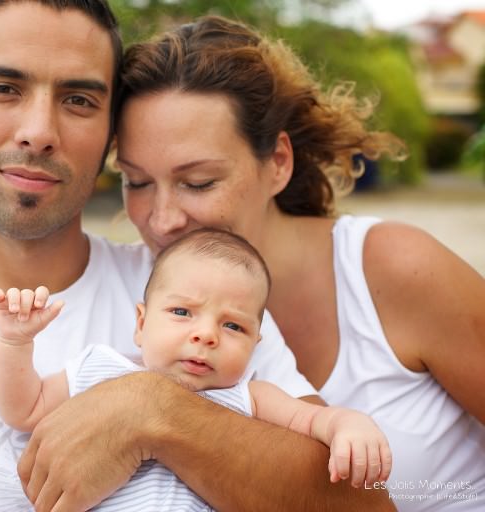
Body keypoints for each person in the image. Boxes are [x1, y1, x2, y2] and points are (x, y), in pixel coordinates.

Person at [0, 2, 394, 511]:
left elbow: (365, 505)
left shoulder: (198, 297)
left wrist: (153, 409)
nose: (38, 131)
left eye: (78, 100)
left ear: (109, 138)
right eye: (3, 88)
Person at [85, 15, 481, 512]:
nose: (161, 220)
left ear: (277, 162)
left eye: (199, 182)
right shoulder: (140, 297)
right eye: (137, 181)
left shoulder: (393, 267)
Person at [0, 229, 393, 510]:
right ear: (141, 323)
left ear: (255, 345)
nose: (206, 335)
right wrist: (14, 343)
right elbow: (25, 409)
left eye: (233, 326)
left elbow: (316, 421)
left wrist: (349, 425)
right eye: (182, 312)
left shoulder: (251, 397)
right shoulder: (99, 367)